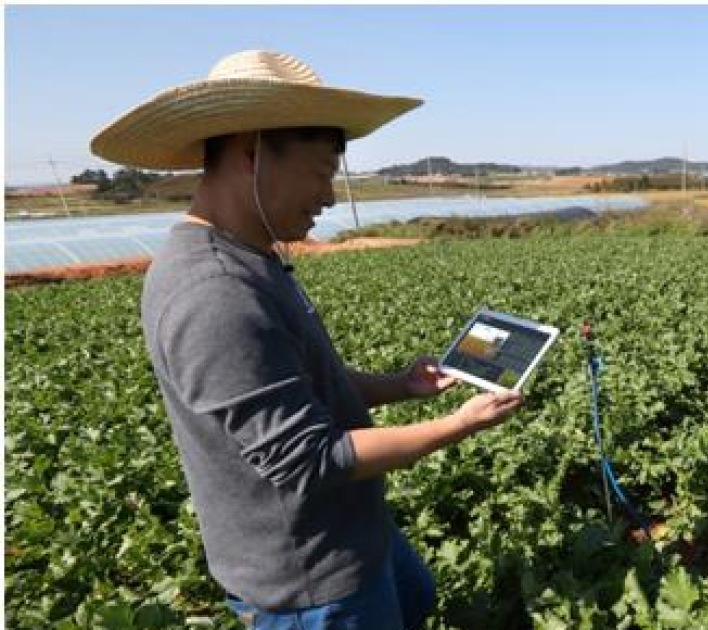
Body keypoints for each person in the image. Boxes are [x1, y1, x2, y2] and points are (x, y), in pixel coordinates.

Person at [91, 49, 522, 629]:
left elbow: (302, 385)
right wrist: (457, 425)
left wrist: (399, 386)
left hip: (349, 537)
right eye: (321, 172)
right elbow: (310, 460)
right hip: (309, 581)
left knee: (416, 600)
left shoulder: (252, 257)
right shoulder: (213, 291)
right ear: (253, 152)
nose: (329, 196)